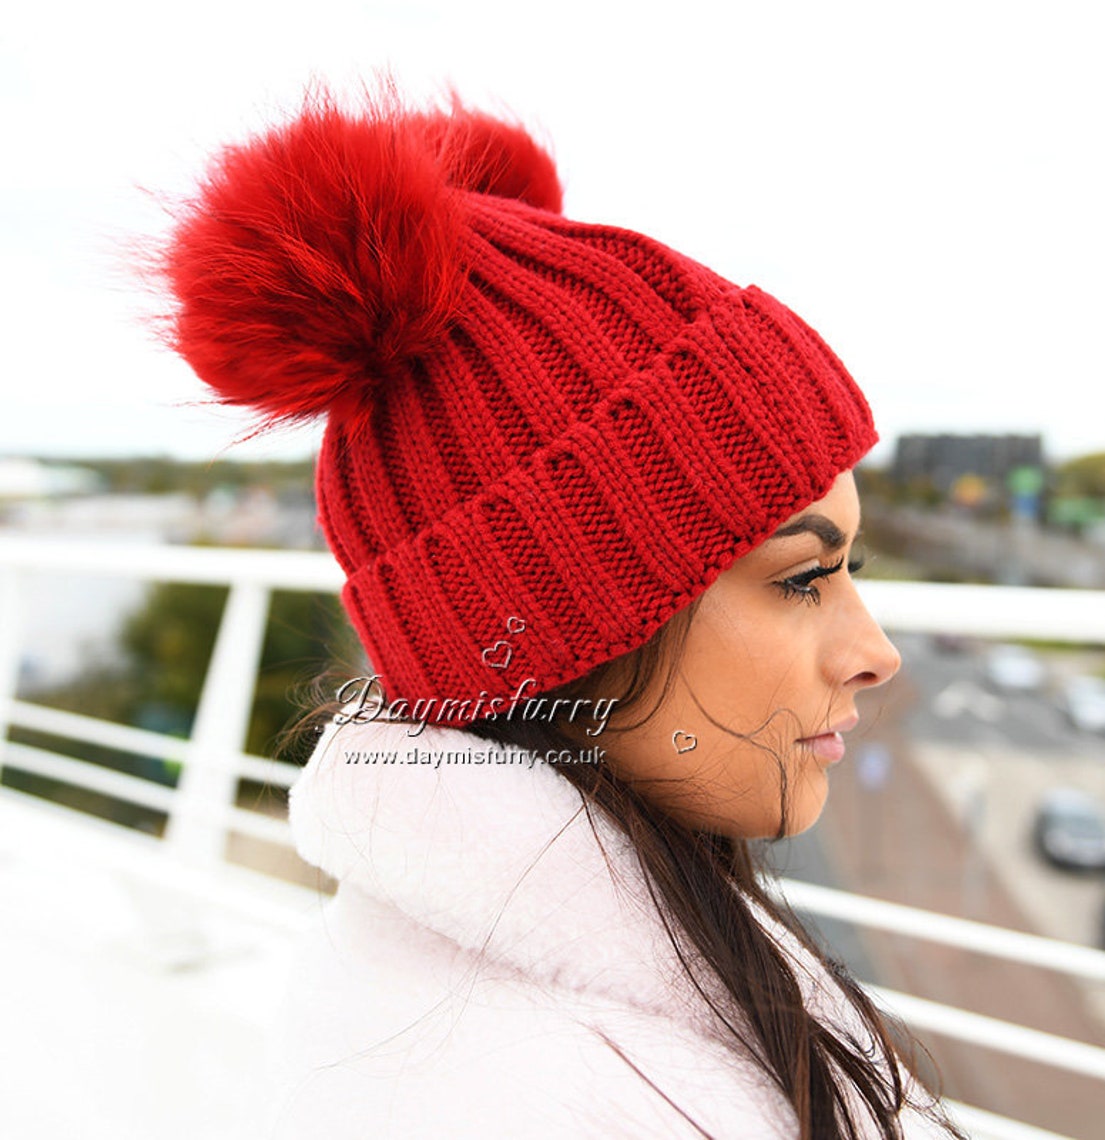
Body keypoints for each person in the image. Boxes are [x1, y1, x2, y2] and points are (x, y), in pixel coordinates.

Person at [160, 88, 965, 1138]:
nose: (875, 654)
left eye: (851, 566)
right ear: (566, 634)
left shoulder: (569, 984)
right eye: (799, 579)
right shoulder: (511, 1100)